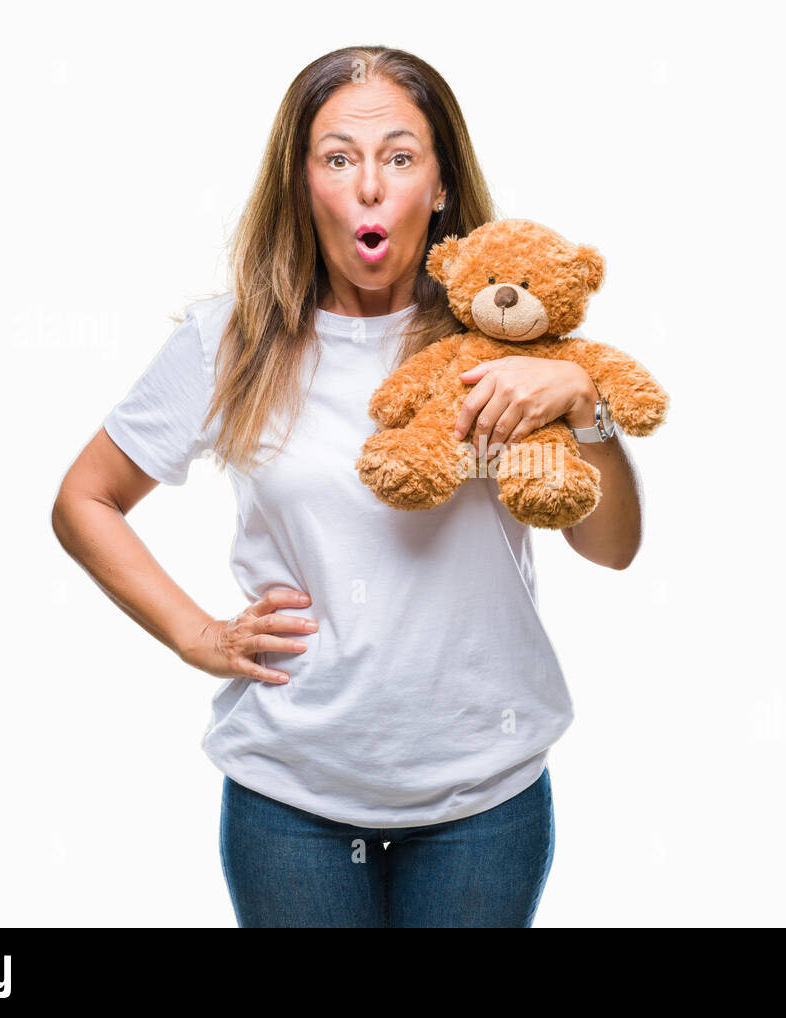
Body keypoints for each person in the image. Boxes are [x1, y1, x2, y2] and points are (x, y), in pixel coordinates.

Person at [51, 45, 646, 928]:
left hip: (485, 797)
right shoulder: (229, 342)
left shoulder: (514, 334)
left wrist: (588, 407)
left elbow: (613, 550)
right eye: (338, 158)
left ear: (440, 186)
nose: (370, 186)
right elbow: (85, 500)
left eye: (400, 157)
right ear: (302, 183)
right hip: (291, 800)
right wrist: (197, 635)